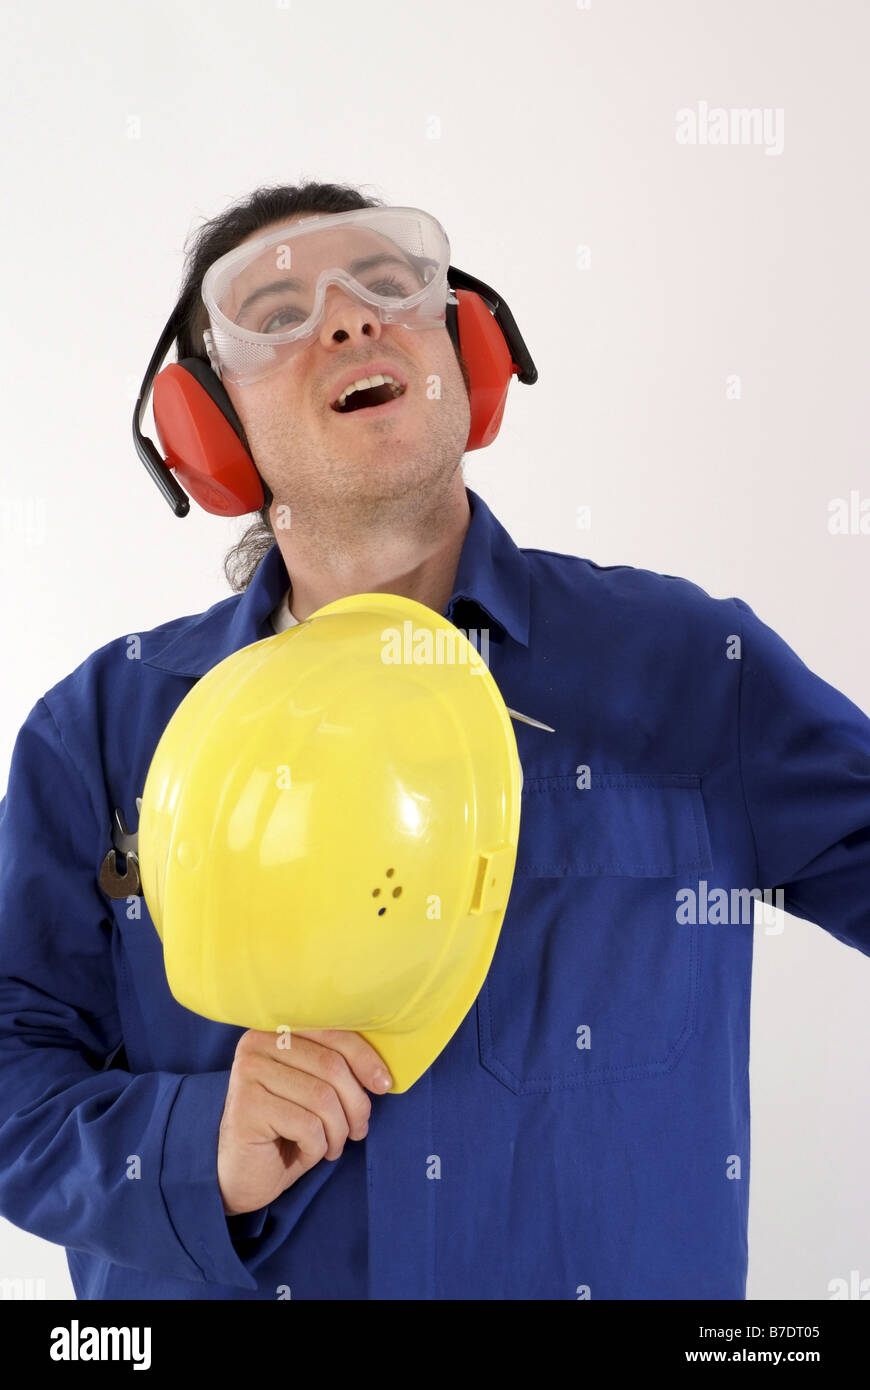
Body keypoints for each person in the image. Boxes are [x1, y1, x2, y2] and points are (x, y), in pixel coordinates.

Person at [0, 180, 868, 1301]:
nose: (353, 319)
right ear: (207, 428)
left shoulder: (689, 668)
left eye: (393, 286)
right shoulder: (101, 731)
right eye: (277, 311)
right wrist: (184, 1145)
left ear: (470, 358)